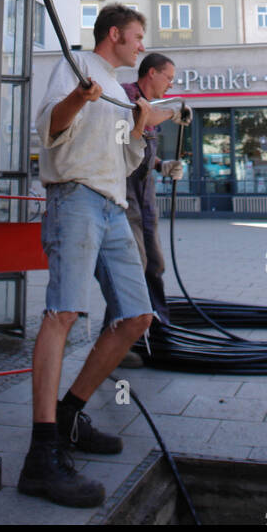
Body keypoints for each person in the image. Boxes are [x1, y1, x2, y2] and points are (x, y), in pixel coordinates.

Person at [17, 3, 154, 508]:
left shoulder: (118, 88)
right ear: (115, 34)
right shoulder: (75, 67)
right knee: (63, 314)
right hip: (75, 197)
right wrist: (78, 97)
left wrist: (139, 128)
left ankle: (70, 416)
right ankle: (41, 454)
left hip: (113, 204)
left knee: (137, 317)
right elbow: (50, 128)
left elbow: (125, 158)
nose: (141, 46)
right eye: (137, 36)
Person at [113, 54, 188, 360]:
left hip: (145, 199)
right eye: (168, 77)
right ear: (152, 73)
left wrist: (162, 165)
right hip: (124, 196)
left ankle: (158, 328)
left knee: (154, 264)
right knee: (134, 266)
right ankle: (118, 340)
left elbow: (142, 150)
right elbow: (138, 120)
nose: (171, 84)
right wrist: (174, 112)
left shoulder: (153, 106)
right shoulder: (127, 95)